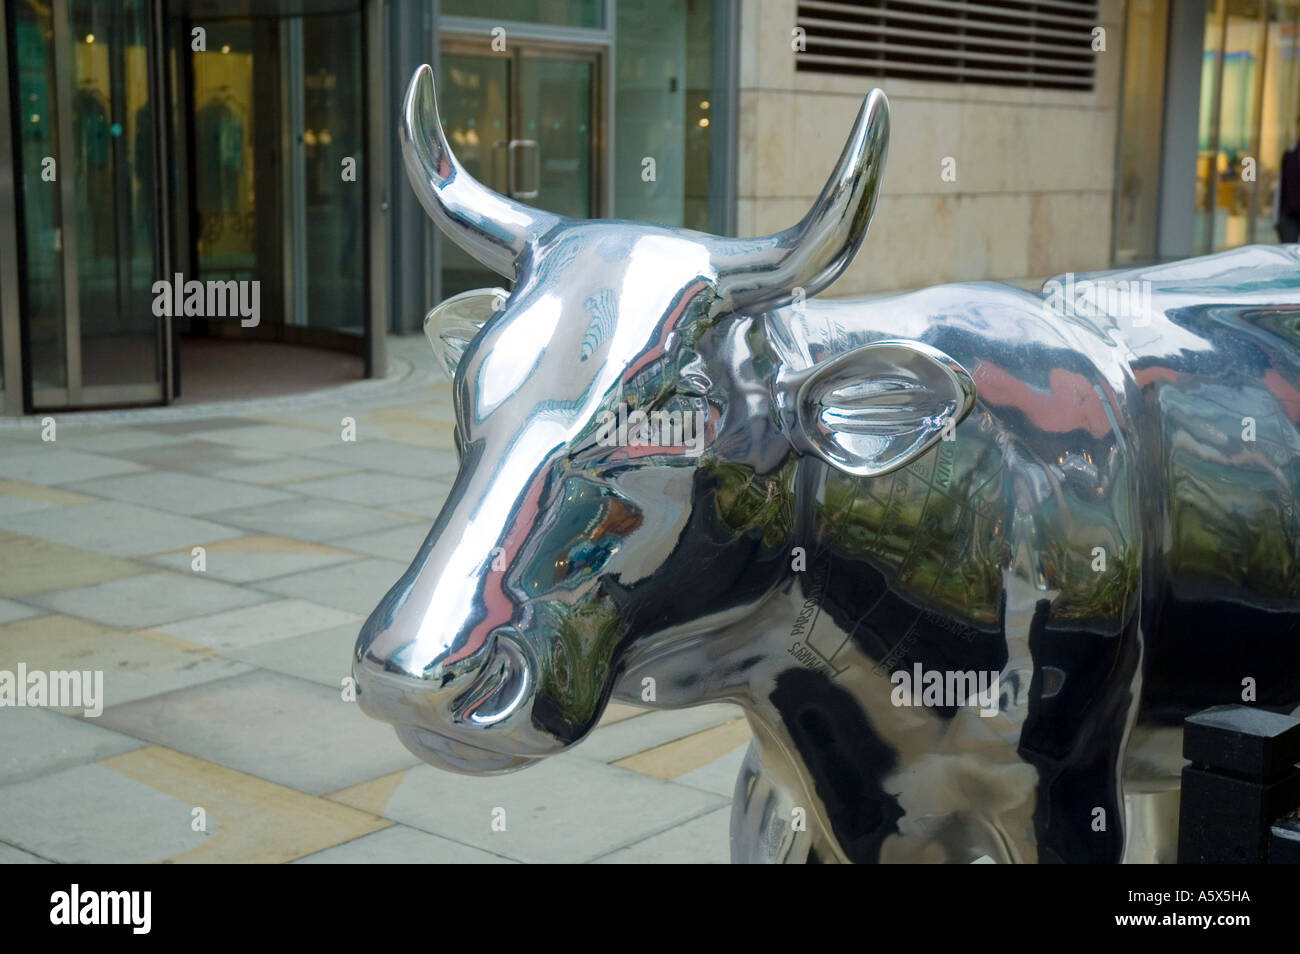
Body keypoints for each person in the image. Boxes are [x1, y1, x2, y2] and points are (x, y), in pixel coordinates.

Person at [1276, 113, 1300, 243]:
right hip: (1290, 215)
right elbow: (1281, 187)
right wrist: (1277, 217)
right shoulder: (1289, 155)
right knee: (1288, 254)